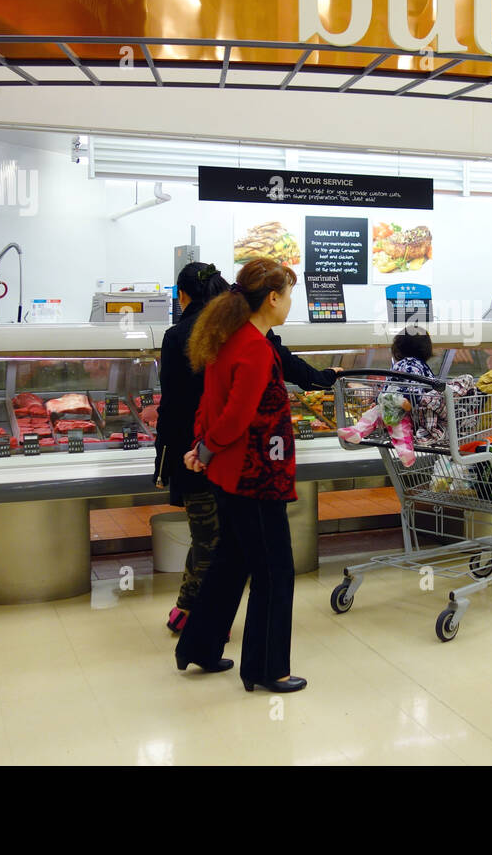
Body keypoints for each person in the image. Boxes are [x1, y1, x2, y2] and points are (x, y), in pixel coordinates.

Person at [175, 258, 306, 693]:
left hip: (228, 475)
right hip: (256, 478)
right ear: (272, 298)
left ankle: (199, 646)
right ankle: (267, 669)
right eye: (288, 295)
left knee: (231, 561)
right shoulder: (254, 347)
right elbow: (236, 414)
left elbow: (209, 404)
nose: (290, 304)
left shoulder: (227, 337)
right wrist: (208, 447)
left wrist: (201, 448)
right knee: (275, 572)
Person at [153, 262, 230, 634]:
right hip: (229, 449)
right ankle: (190, 609)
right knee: (213, 536)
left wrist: (162, 459)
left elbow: (169, 405)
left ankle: (199, 612)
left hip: (192, 451)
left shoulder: (176, 335)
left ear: (181, 295)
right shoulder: (233, 330)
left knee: (207, 536)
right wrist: (323, 379)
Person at [337, 328, 435, 466]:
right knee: (382, 418)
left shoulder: (407, 364)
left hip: (405, 408)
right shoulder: (421, 366)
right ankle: (404, 451)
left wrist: (405, 401)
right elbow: (423, 388)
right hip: (402, 406)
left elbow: (411, 386)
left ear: (398, 348)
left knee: (392, 423)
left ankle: (358, 431)